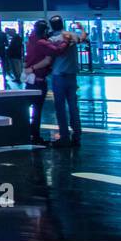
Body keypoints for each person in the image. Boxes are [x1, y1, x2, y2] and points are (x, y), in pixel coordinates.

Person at [47, 15, 85, 148]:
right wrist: (82, 28)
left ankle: (64, 136)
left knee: (60, 107)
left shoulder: (51, 39)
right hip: (71, 76)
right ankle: (77, 134)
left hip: (58, 76)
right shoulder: (72, 36)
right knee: (73, 106)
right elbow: (83, 38)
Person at [23, 20, 55, 146]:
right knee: (37, 110)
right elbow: (51, 56)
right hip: (39, 79)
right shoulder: (43, 43)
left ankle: (27, 133)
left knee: (28, 107)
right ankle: (35, 135)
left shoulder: (31, 40)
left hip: (30, 80)